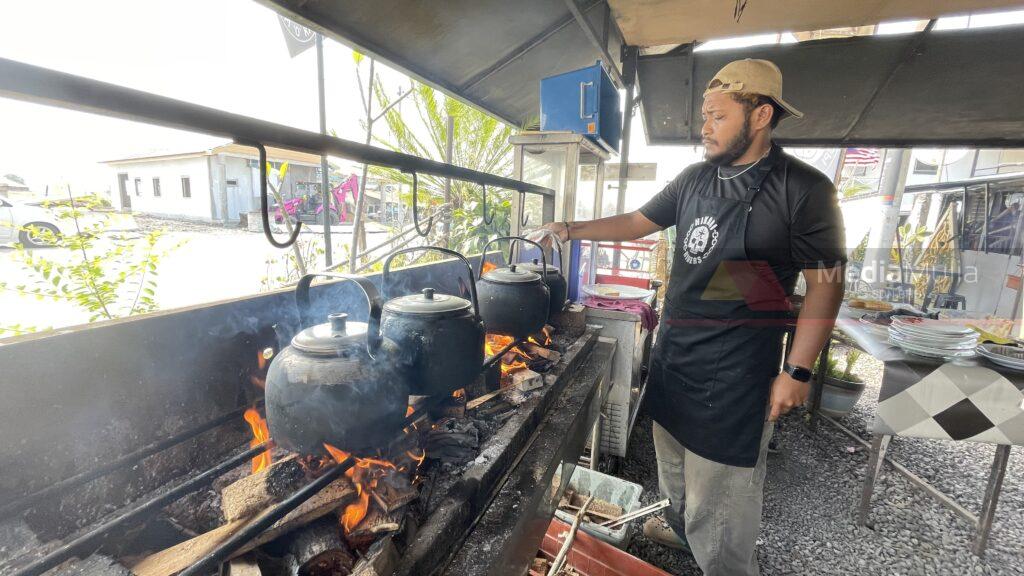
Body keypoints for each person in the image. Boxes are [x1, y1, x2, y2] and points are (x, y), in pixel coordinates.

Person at [536, 59, 846, 575]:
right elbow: (638, 222)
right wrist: (569, 228)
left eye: (717, 116)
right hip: (677, 355)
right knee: (674, 473)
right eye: (704, 115)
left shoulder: (803, 189)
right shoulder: (696, 178)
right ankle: (684, 536)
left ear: (761, 115)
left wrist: (796, 371)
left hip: (737, 373)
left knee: (720, 500)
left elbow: (826, 285)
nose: (704, 127)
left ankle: (723, 565)